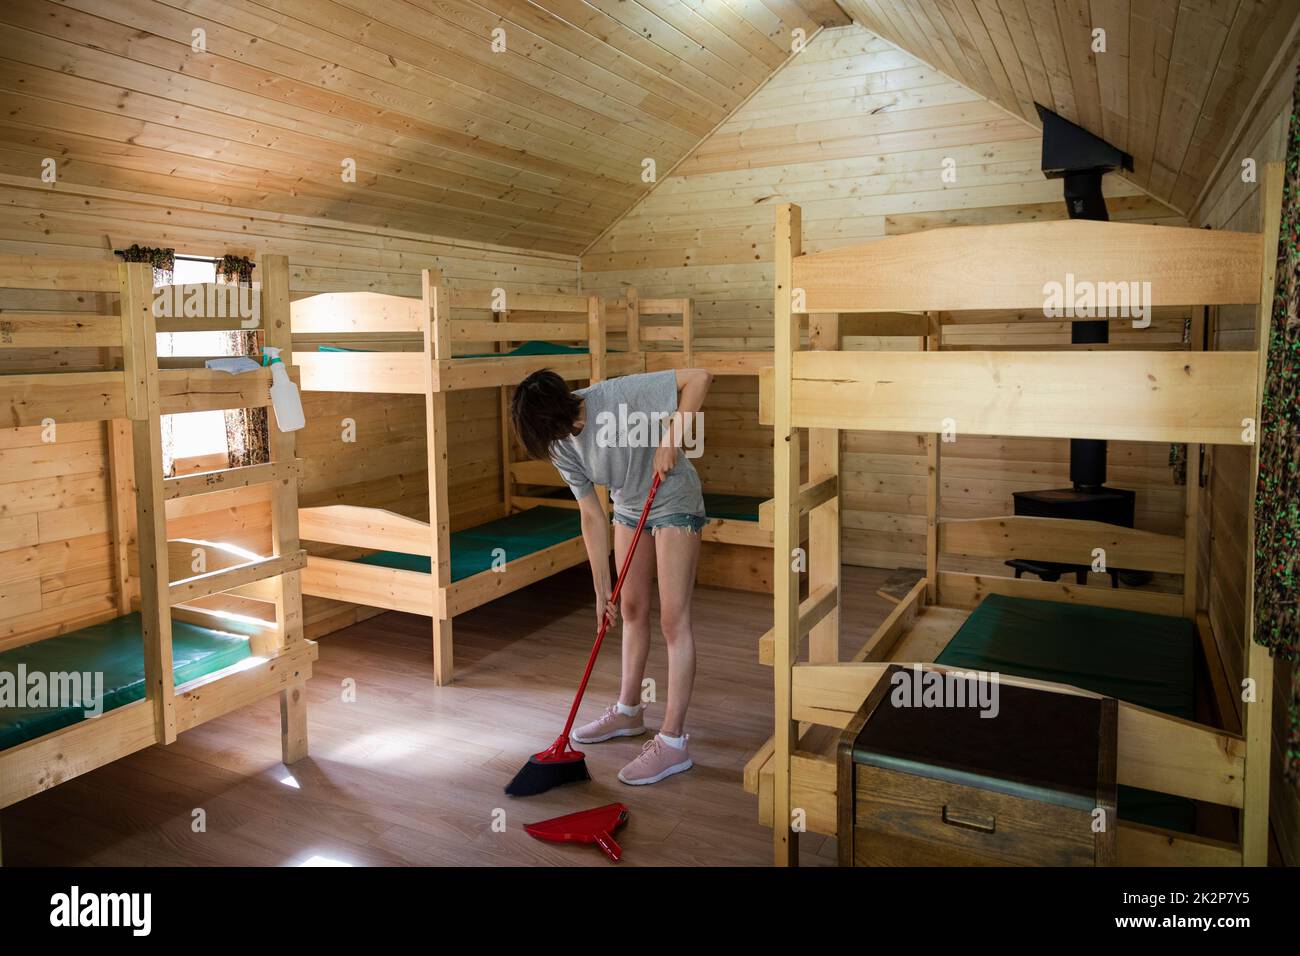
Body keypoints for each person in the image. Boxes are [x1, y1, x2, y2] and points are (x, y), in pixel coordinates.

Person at [510, 367, 713, 785]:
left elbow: (700, 378)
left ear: (563, 409)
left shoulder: (617, 395)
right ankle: (628, 712)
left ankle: (673, 742)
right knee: (632, 609)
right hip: (628, 508)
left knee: (673, 619)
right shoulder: (559, 444)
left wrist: (671, 440)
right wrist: (602, 589)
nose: (559, 440)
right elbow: (590, 512)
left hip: (672, 495)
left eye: (557, 430)